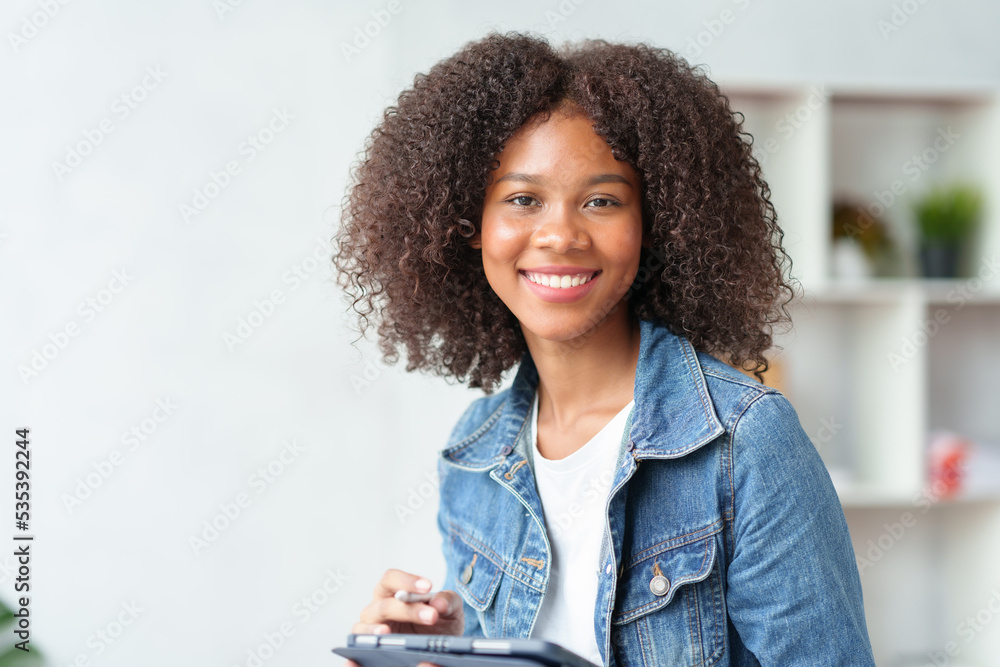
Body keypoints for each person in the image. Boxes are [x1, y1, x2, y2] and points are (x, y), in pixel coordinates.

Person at [334, 32, 875, 667]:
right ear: (467, 225)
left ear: (656, 226)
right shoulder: (475, 452)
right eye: (523, 199)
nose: (560, 234)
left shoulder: (744, 442)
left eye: (601, 200)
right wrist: (440, 654)